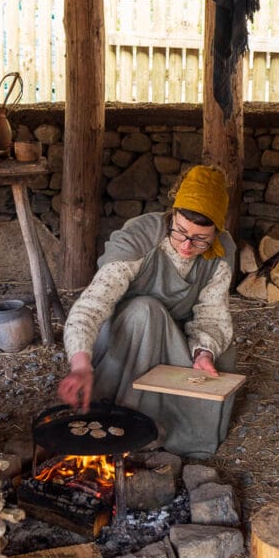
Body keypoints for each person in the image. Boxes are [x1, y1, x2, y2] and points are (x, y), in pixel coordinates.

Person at [57, 165, 238, 458]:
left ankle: (175, 432)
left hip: (173, 334)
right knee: (146, 311)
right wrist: (80, 364)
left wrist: (203, 352)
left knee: (223, 352)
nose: (187, 245)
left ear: (216, 232)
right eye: (180, 231)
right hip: (126, 333)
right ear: (173, 214)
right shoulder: (140, 236)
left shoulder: (221, 250)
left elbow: (211, 314)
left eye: (200, 238)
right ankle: (123, 421)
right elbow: (93, 304)